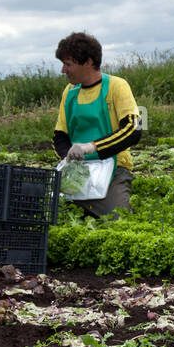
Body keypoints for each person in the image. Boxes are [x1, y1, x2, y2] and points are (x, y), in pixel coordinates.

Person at [53, 31, 142, 217]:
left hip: (114, 167)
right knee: (58, 214)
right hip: (78, 170)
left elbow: (133, 129)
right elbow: (60, 136)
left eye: (68, 64)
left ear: (88, 62)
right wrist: (69, 159)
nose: (63, 70)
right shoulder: (69, 92)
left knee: (117, 218)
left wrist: (90, 147)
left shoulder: (116, 86)